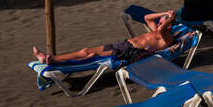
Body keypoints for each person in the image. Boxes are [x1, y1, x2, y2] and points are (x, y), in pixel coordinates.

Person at [33, 11, 178, 66]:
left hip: (130, 51)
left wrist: (170, 18)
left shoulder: (167, 37)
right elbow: (147, 17)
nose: (159, 23)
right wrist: (164, 13)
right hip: (124, 45)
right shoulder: (156, 30)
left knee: (89, 53)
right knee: (87, 51)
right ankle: (51, 59)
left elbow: (162, 29)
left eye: (162, 22)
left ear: (169, 25)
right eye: (160, 21)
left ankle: (50, 59)